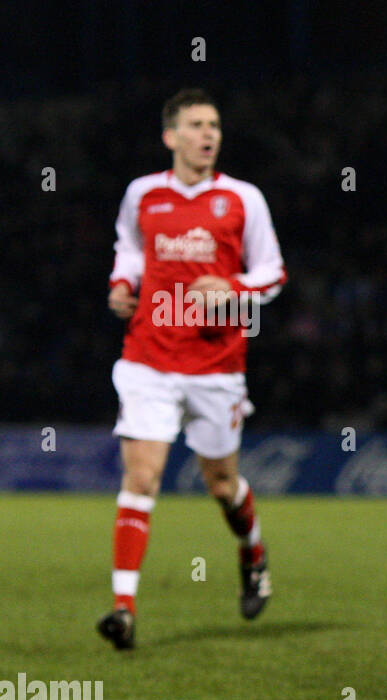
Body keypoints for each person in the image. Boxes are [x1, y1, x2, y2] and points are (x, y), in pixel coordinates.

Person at [97, 88, 287, 650]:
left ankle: (252, 551)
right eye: (197, 125)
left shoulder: (243, 199)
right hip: (149, 356)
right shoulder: (142, 194)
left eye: (215, 125)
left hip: (215, 364)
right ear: (170, 135)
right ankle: (124, 610)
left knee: (222, 484)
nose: (209, 134)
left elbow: (272, 274)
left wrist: (230, 287)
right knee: (141, 476)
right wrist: (121, 285)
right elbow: (128, 249)